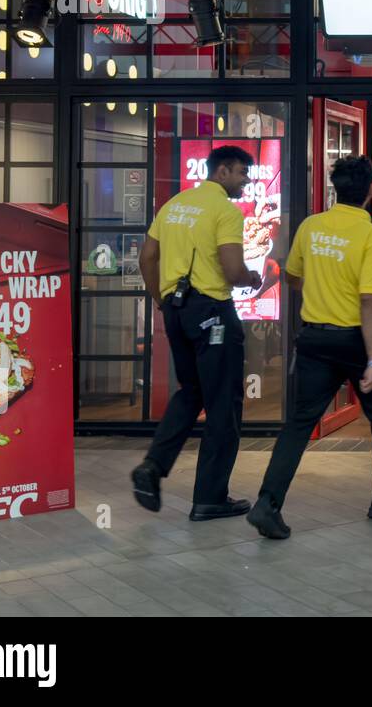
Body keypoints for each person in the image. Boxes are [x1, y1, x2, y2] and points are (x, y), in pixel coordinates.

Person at [247, 157, 372, 538]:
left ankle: (268, 503)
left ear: (334, 190)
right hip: (356, 340)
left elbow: (291, 275)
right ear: (370, 192)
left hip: (314, 339)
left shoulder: (311, 227)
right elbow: (369, 300)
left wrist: (319, 292)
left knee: (298, 424)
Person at [133, 145, 262, 521]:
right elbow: (232, 270)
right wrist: (251, 278)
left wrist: (162, 300)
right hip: (213, 313)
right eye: (241, 173)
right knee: (223, 404)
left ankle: (153, 466)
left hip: (176, 310)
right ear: (221, 171)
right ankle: (209, 497)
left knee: (191, 392)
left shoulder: (173, 205)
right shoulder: (224, 210)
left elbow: (147, 258)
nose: (245, 180)